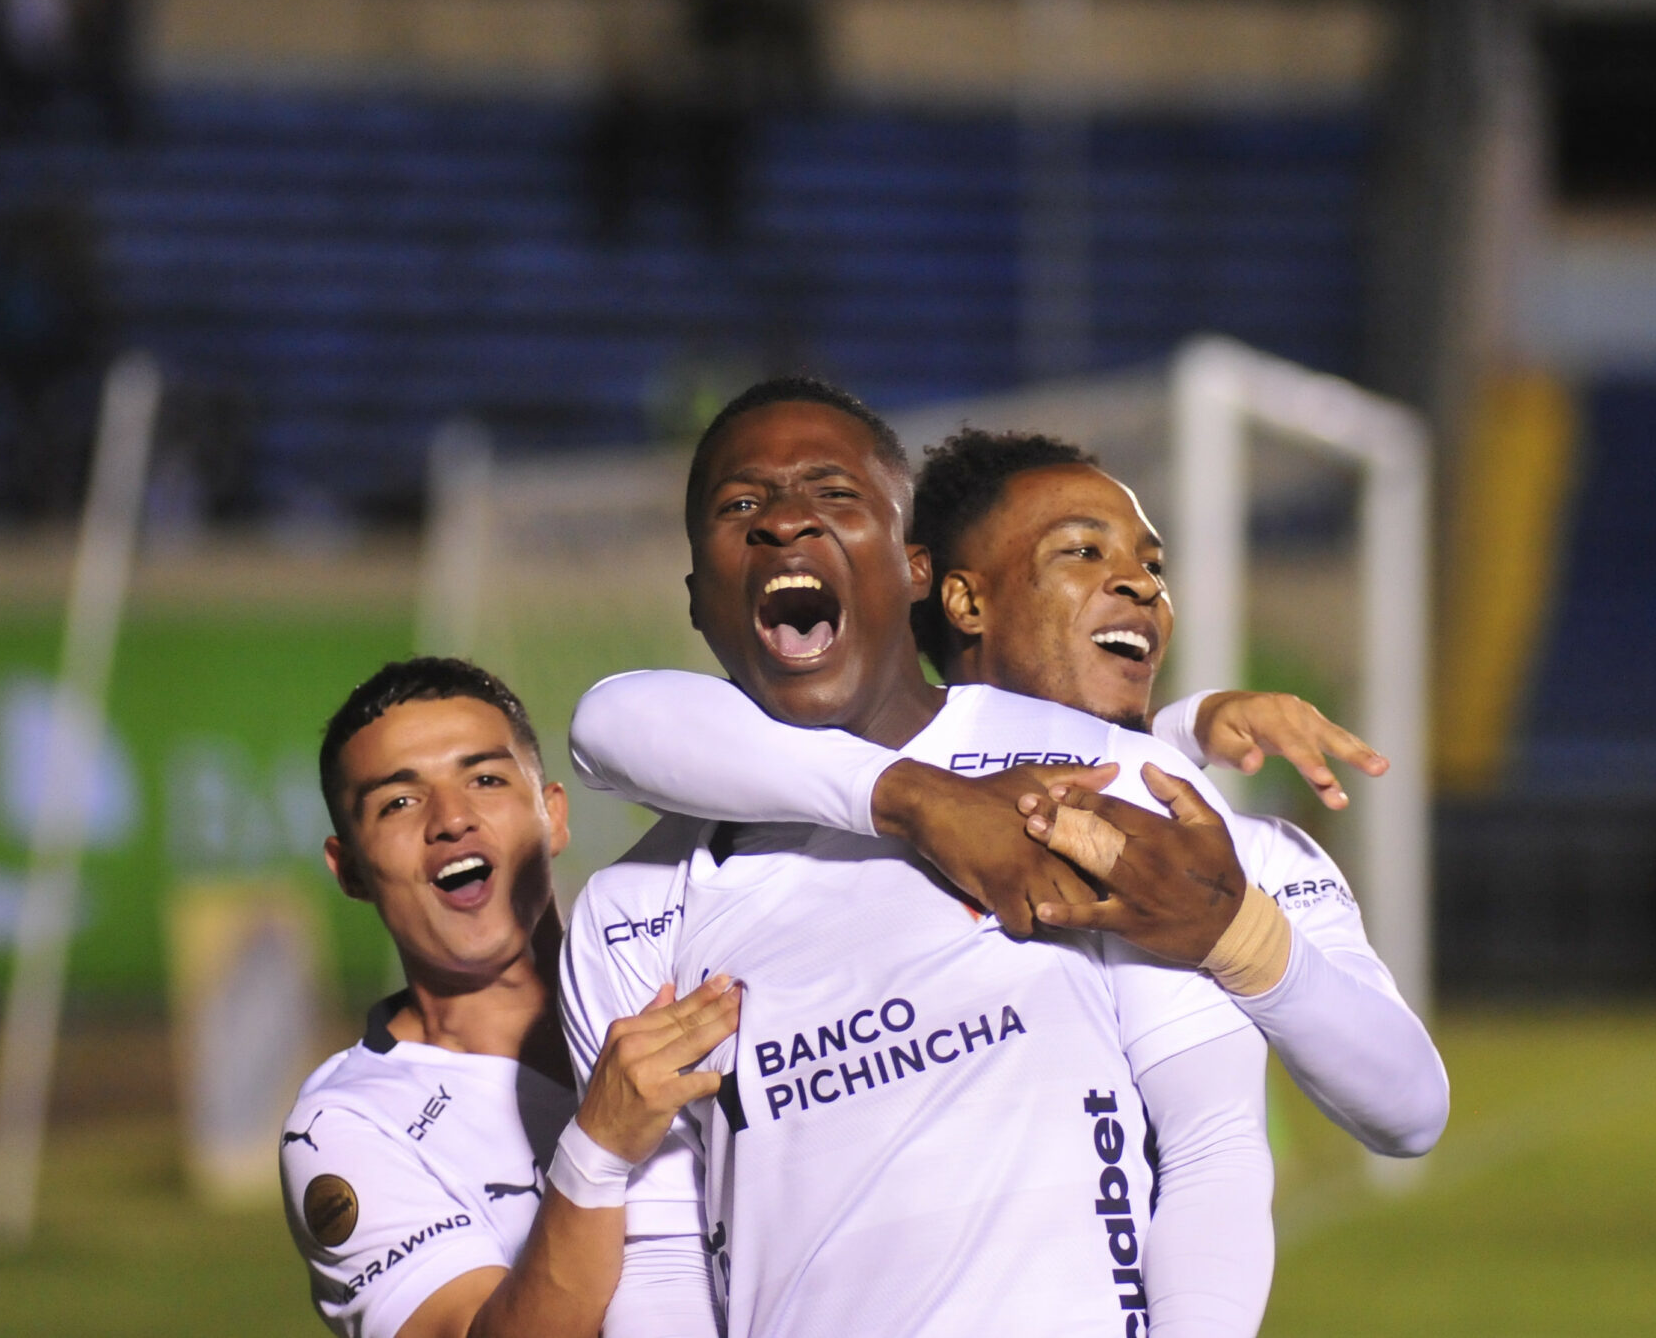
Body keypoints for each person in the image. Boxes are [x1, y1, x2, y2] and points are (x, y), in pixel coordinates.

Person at [558, 382, 1295, 1338]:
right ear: (699, 597)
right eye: (742, 506)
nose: (786, 522)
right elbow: (659, 1258)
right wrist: (920, 803)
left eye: (833, 494)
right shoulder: (630, 911)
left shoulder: (1093, 780)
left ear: (915, 570)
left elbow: (1212, 1143)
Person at [282, 657, 741, 1338]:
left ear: (553, 814)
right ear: (349, 866)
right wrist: (598, 1145)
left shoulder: (690, 962)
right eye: (399, 801)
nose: (451, 818)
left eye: (486, 779)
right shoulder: (347, 1123)